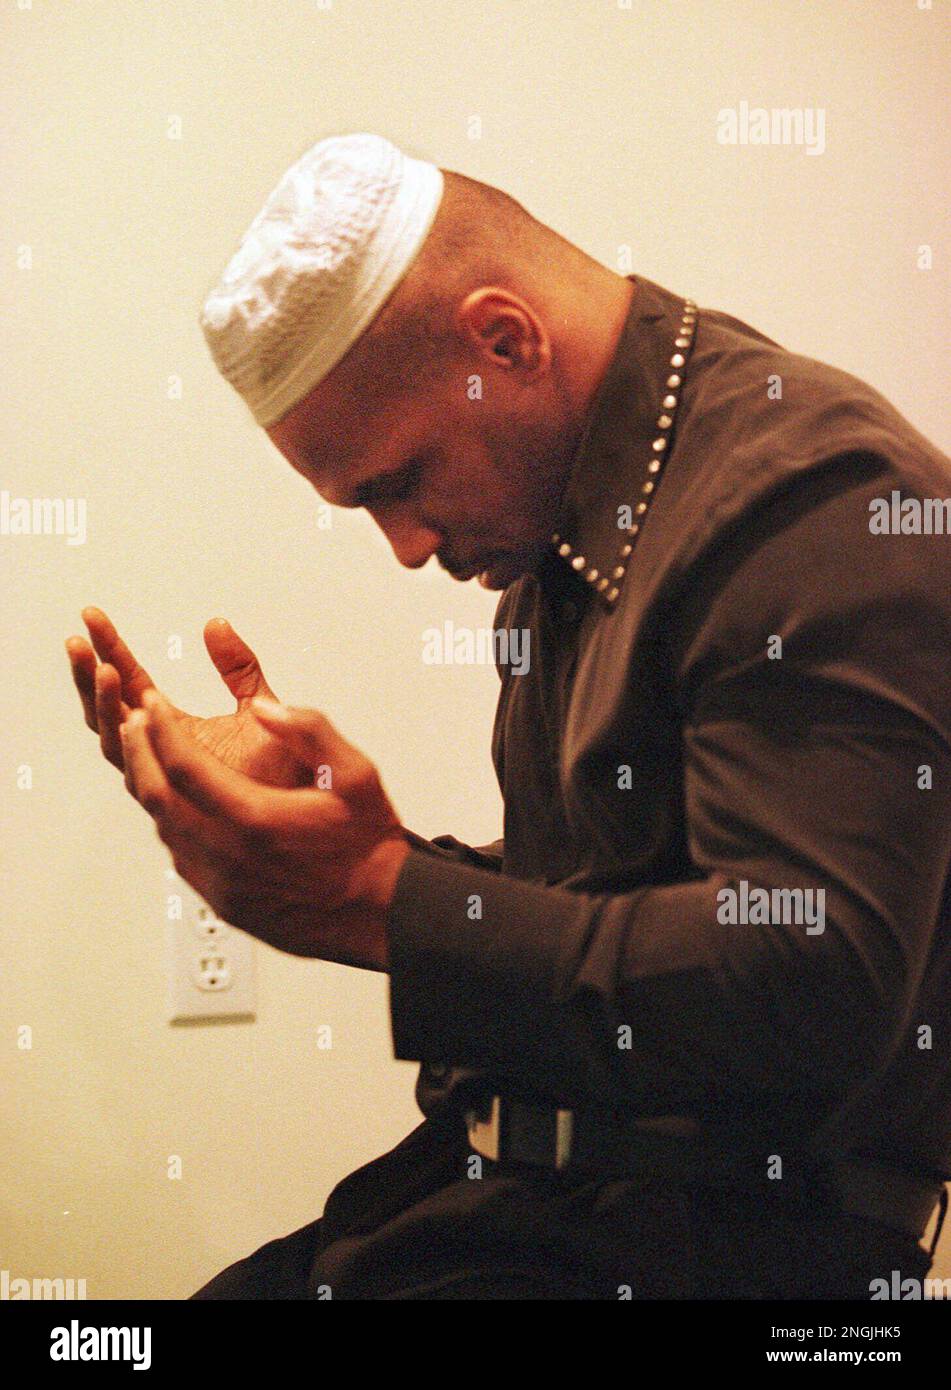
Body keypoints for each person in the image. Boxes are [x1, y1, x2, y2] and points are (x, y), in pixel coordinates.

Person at [67, 134, 951, 1299]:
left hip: (738, 1252)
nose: (406, 547)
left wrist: (380, 898)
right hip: (535, 1208)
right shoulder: (564, 541)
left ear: (506, 340)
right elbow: (617, 908)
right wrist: (375, 858)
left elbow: (808, 969)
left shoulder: (819, 499)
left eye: (397, 481)